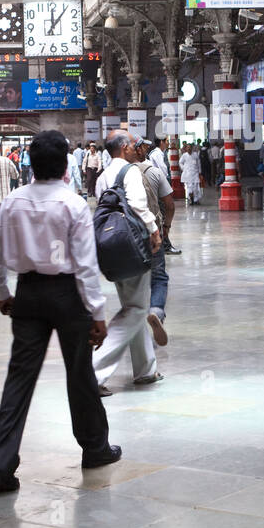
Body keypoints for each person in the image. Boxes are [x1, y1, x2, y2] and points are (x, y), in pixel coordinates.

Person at [0, 130, 119, 492]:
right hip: (67, 295)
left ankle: (0, 461)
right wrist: (98, 313)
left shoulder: (12, 201)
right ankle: (95, 448)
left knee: (19, 378)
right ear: (64, 167)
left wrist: (2, 292)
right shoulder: (72, 204)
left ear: (30, 163)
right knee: (79, 373)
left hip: (27, 293)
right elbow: (86, 266)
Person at [92, 130, 163, 396]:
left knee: (134, 303)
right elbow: (137, 205)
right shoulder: (130, 171)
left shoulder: (102, 177)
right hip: (132, 242)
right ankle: (94, 371)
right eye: (133, 144)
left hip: (110, 245)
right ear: (123, 147)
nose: (136, 148)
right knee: (135, 309)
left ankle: (145, 369)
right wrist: (154, 231)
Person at [136, 139, 173, 346]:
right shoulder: (155, 172)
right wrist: (165, 228)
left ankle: (135, 319)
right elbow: (169, 204)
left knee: (135, 280)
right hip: (153, 232)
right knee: (158, 277)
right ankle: (156, 310)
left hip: (128, 236)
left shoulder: (118, 174)